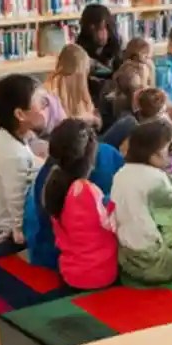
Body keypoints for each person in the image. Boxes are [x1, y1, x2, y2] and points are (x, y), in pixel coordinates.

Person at [110, 121, 172, 284]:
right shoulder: (156, 178)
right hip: (151, 261)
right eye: (169, 149)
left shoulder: (121, 172)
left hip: (125, 257)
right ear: (154, 155)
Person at [43, 119, 119, 290]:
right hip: (100, 274)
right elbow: (110, 224)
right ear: (90, 157)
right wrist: (115, 203)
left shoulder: (52, 183)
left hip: (69, 272)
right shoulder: (87, 190)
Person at [0, 75, 48, 255]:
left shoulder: (9, 136)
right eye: (41, 102)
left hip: (3, 217)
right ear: (20, 114)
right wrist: (18, 230)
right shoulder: (13, 154)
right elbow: (15, 197)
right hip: (6, 226)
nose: (46, 107)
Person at [44, 45, 101, 129]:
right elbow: (57, 125)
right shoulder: (51, 91)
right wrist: (85, 119)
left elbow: (97, 122)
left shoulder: (80, 90)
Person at [110, 36, 155, 120]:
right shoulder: (129, 72)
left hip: (141, 113)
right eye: (146, 56)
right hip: (130, 117)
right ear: (135, 57)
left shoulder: (146, 68)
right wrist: (144, 79)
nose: (149, 61)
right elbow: (139, 104)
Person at [75, 3, 121, 81]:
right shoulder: (78, 52)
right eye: (98, 29)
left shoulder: (119, 48)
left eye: (105, 27)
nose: (102, 34)